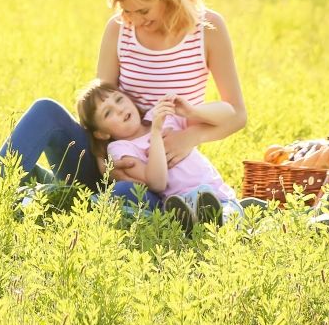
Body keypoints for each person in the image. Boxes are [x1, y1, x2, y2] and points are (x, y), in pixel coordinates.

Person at [0, 0, 247, 212]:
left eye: (144, 11)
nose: (135, 21)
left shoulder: (208, 29)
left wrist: (190, 137)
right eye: (127, 11)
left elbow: (237, 114)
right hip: (110, 160)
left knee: (126, 192)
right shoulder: (119, 30)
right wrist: (104, 160)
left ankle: (59, 193)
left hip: (160, 178)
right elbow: (98, 108)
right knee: (45, 110)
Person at [76, 80, 243, 229]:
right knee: (189, 208)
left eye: (119, 100)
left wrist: (192, 111)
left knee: (228, 213)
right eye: (108, 113)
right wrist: (155, 132)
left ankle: (221, 222)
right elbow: (157, 183)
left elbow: (229, 114)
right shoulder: (121, 148)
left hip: (217, 192)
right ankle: (197, 223)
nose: (119, 109)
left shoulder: (160, 115)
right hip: (181, 201)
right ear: (101, 134)